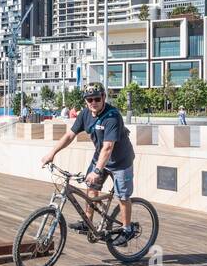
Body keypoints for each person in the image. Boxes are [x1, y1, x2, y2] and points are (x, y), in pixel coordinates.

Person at [39, 83, 138, 246]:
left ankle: (127, 229)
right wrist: (52, 154)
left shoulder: (112, 116)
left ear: (104, 98)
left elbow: (108, 147)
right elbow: (70, 135)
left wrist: (97, 171)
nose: (93, 102)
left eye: (97, 98)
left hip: (121, 160)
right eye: (89, 99)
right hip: (100, 157)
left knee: (123, 196)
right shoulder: (85, 114)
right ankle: (88, 222)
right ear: (86, 101)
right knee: (90, 189)